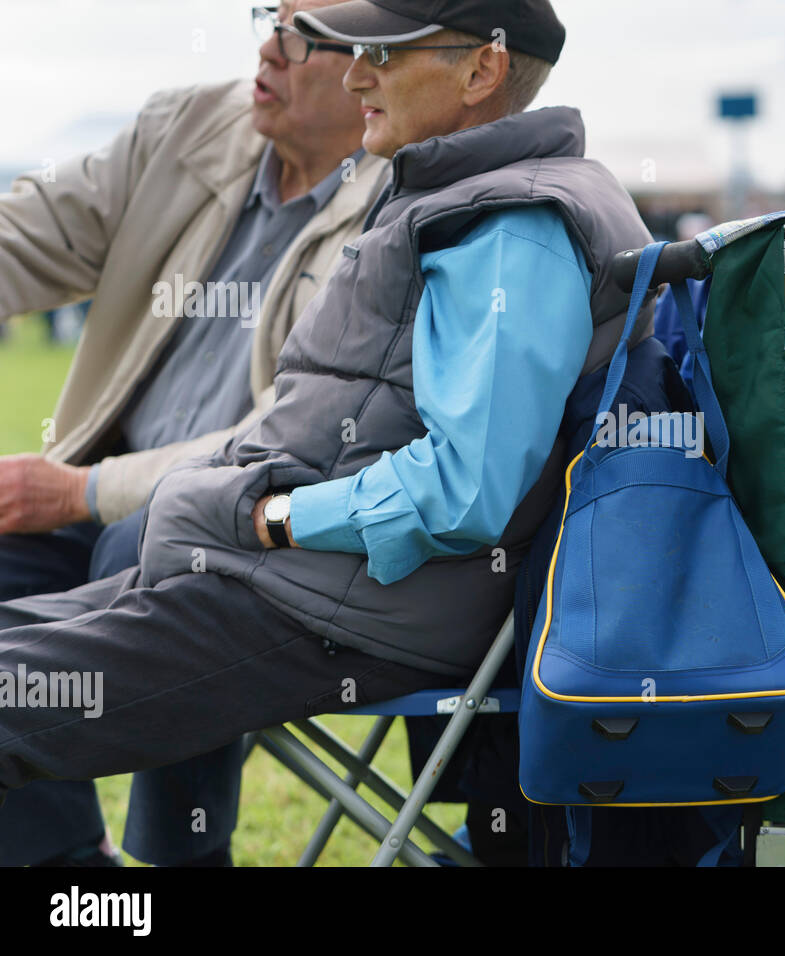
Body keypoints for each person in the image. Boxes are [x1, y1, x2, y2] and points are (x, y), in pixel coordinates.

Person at [0, 0, 659, 862]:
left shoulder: (510, 229)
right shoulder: (455, 197)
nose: (356, 75)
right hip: (280, 582)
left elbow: (467, 490)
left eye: (383, 55)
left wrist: (271, 516)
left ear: (481, 72)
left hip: (324, 606)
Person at [0, 0, 388, 866]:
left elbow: (289, 430)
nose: (267, 48)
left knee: (166, 547)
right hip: (97, 493)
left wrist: (81, 490)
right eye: (268, 16)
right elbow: (29, 234)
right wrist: (79, 492)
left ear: (374, 66)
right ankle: (64, 867)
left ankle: (178, 861)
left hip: (243, 520)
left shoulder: (390, 206)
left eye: (297, 34)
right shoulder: (189, 124)